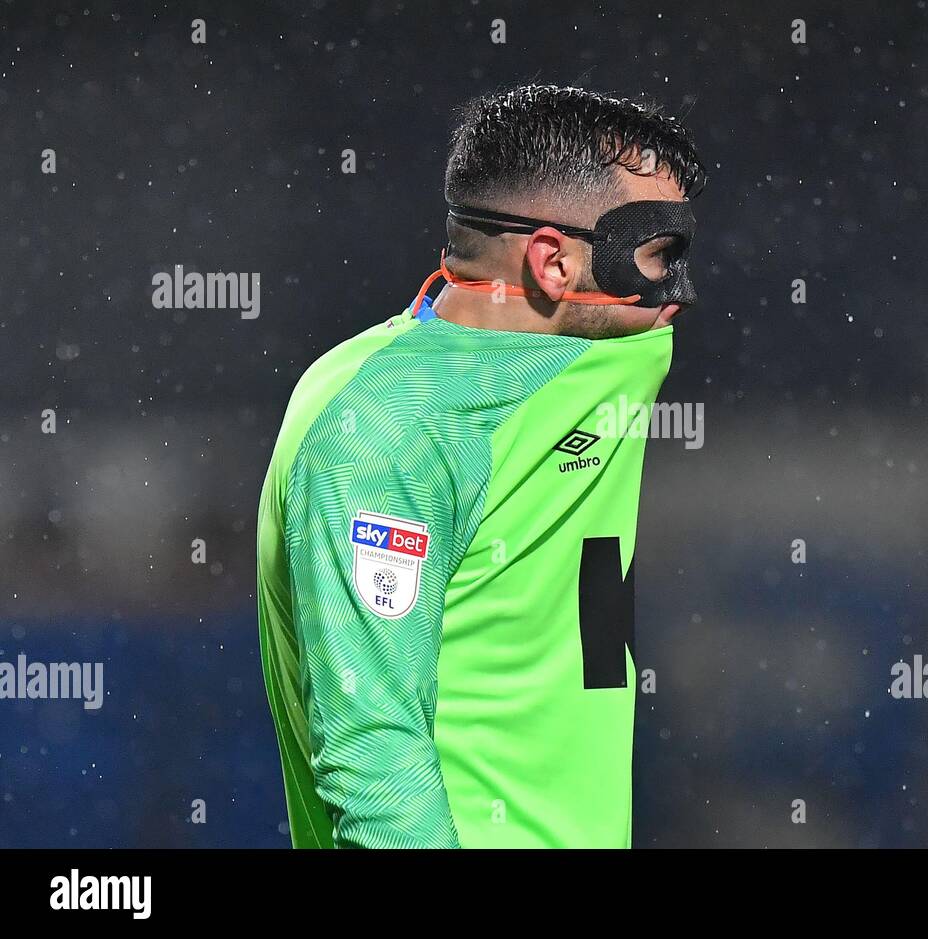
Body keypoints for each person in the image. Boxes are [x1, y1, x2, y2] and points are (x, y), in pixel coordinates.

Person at [255, 84, 705, 847]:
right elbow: (373, 755)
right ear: (552, 262)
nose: (679, 298)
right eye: (657, 256)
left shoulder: (580, 367)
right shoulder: (384, 427)